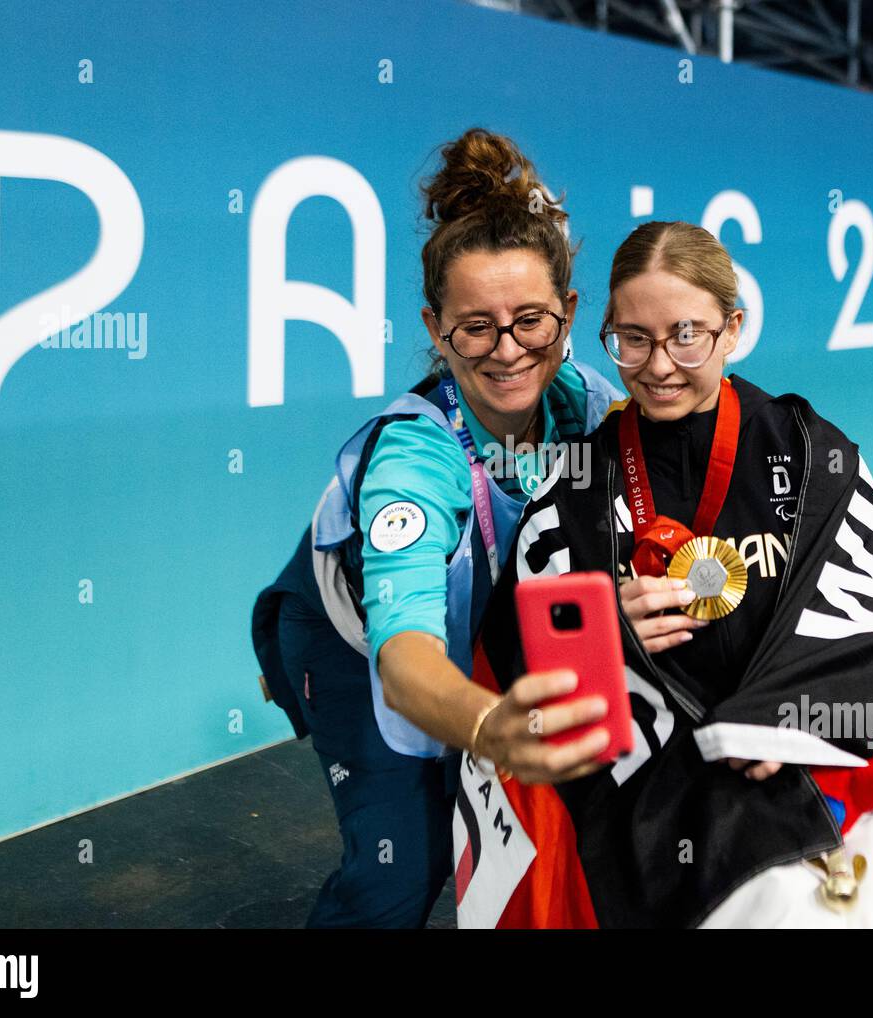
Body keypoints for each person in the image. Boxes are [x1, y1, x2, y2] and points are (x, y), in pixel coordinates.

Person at [453, 221, 873, 929]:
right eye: (633, 339)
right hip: (661, 790)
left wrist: (783, 718)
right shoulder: (579, 487)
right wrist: (605, 629)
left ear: (733, 327)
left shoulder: (809, 455)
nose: (658, 365)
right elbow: (520, 654)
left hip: (811, 761)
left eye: (687, 335)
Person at [251, 128, 628, 928]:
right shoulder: (416, 462)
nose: (507, 352)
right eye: (473, 327)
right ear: (434, 325)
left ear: (567, 312)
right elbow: (406, 663)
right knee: (403, 868)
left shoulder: (587, 402)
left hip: (474, 622)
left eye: (530, 321)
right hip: (354, 645)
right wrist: (490, 727)